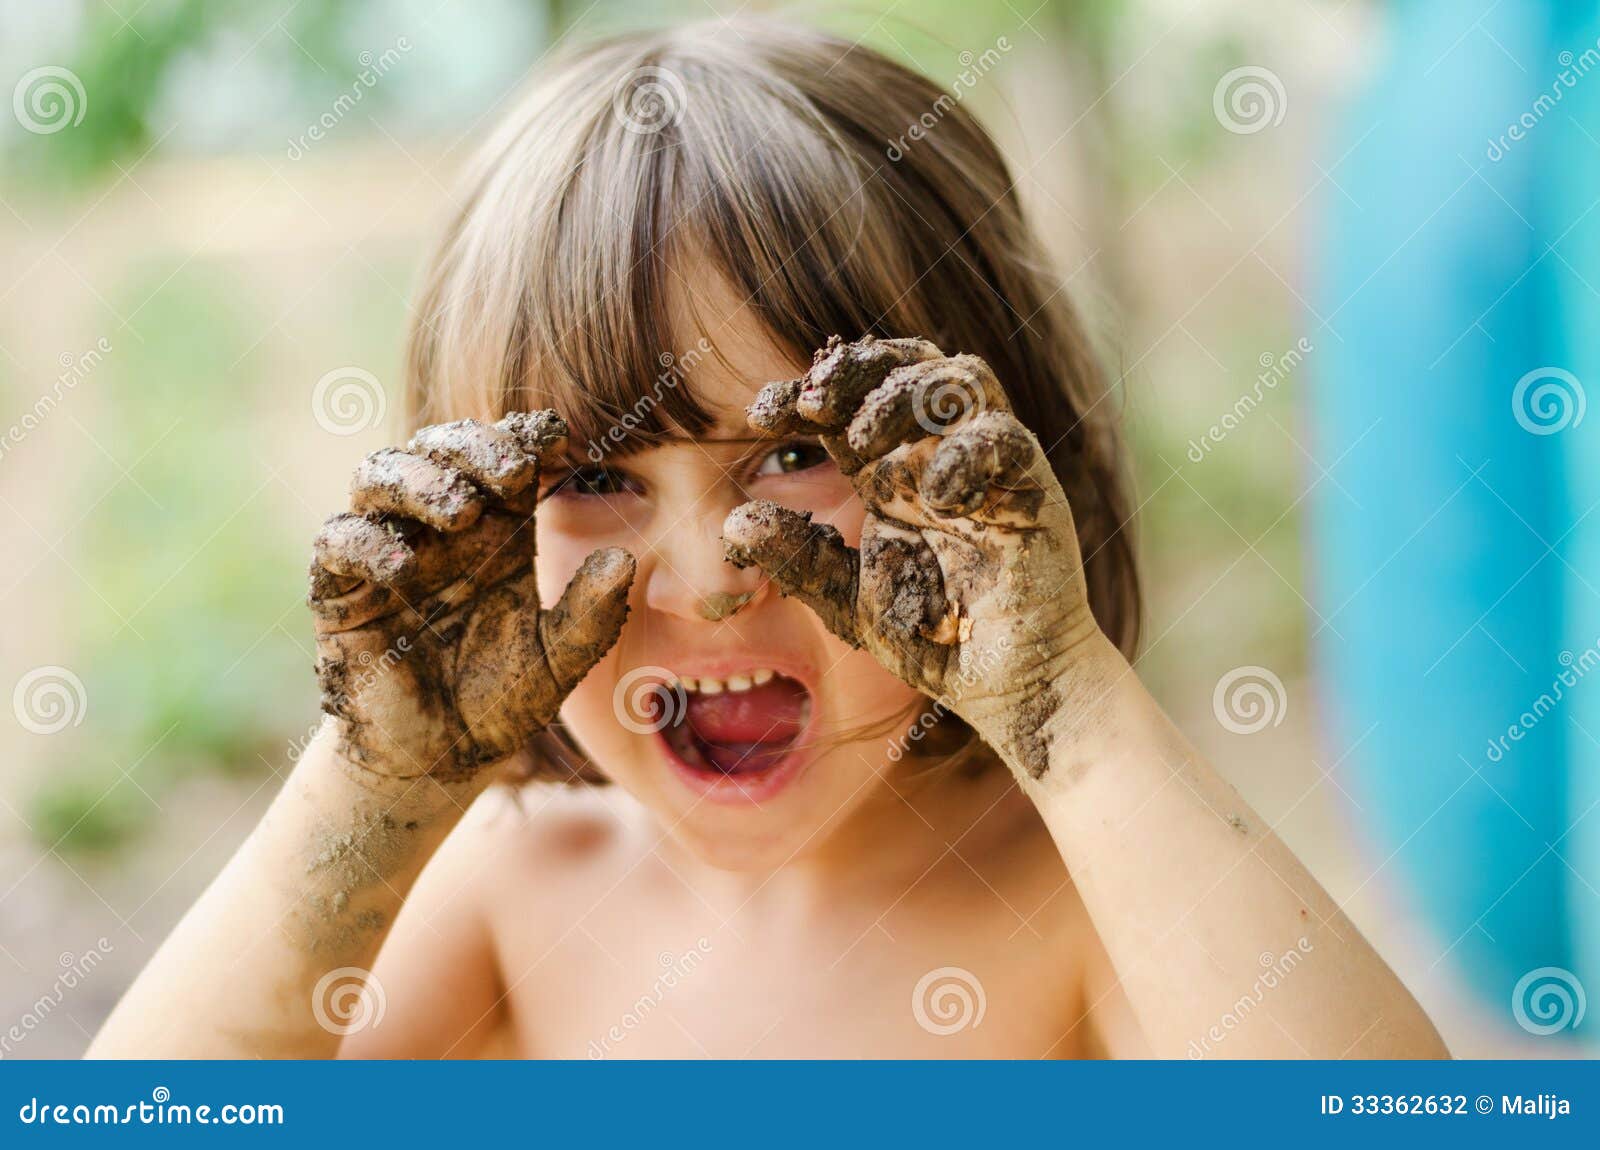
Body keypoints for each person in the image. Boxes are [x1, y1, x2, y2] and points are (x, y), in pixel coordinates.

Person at [89, 19, 1446, 1059]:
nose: (709, 581)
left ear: (1000, 472)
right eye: (594, 478)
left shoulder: (1091, 908)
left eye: (798, 456)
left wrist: (1070, 714)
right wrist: (376, 788)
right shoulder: (509, 896)